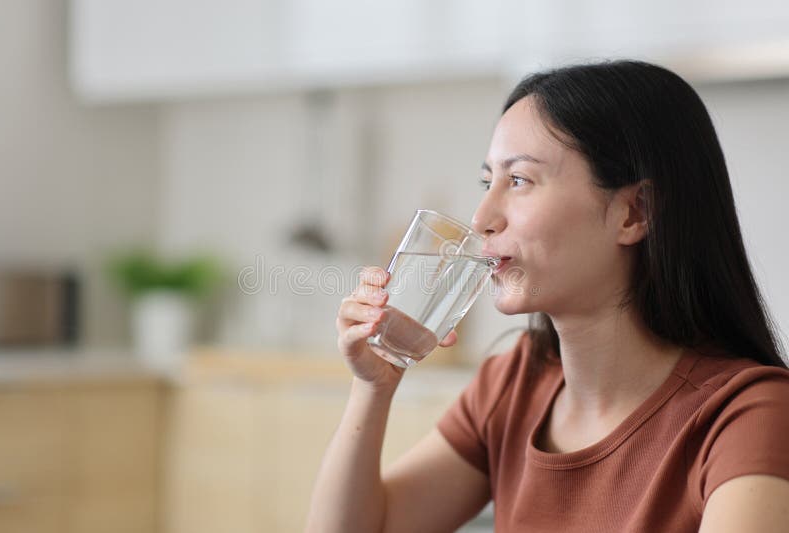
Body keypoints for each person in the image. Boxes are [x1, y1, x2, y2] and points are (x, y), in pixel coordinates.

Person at [305, 60, 789, 533]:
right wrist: (375, 386)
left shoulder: (749, 416)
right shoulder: (514, 384)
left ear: (633, 213)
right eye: (486, 181)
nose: (481, 218)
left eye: (518, 181)